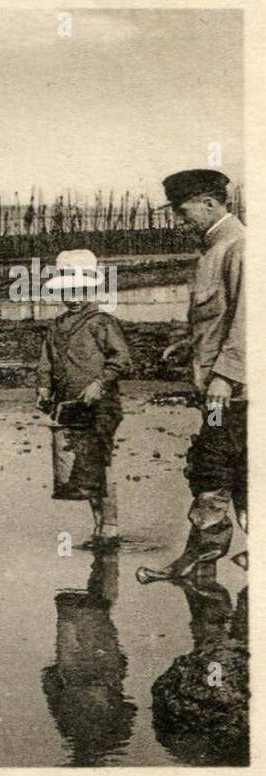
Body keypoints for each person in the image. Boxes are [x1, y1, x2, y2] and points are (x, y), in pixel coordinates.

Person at [137, 169, 246, 583]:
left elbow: (252, 322)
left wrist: (224, 376)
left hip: (233, 393)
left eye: (183, 211)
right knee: (231, 463)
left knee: (213, 463)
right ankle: (212, 559)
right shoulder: (216, 247)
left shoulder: (240, 247)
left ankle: (200, 558)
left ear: (208, 202)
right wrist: (190, 344)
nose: (180, 219)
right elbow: (218, 316)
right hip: (224, 391)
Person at [36, 250, 132, 546]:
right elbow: (46, 363)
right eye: (67, 291)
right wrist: (43, 388)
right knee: (80, 465)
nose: (74, 297)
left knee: (100, 462)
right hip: (69, 406)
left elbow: (122, 360)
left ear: (91, 289)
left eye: (79, 291)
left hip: (100, 406)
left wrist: (99, 384)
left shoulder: (102, 323)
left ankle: (111, 526)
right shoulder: (56, 327)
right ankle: (99, 526)